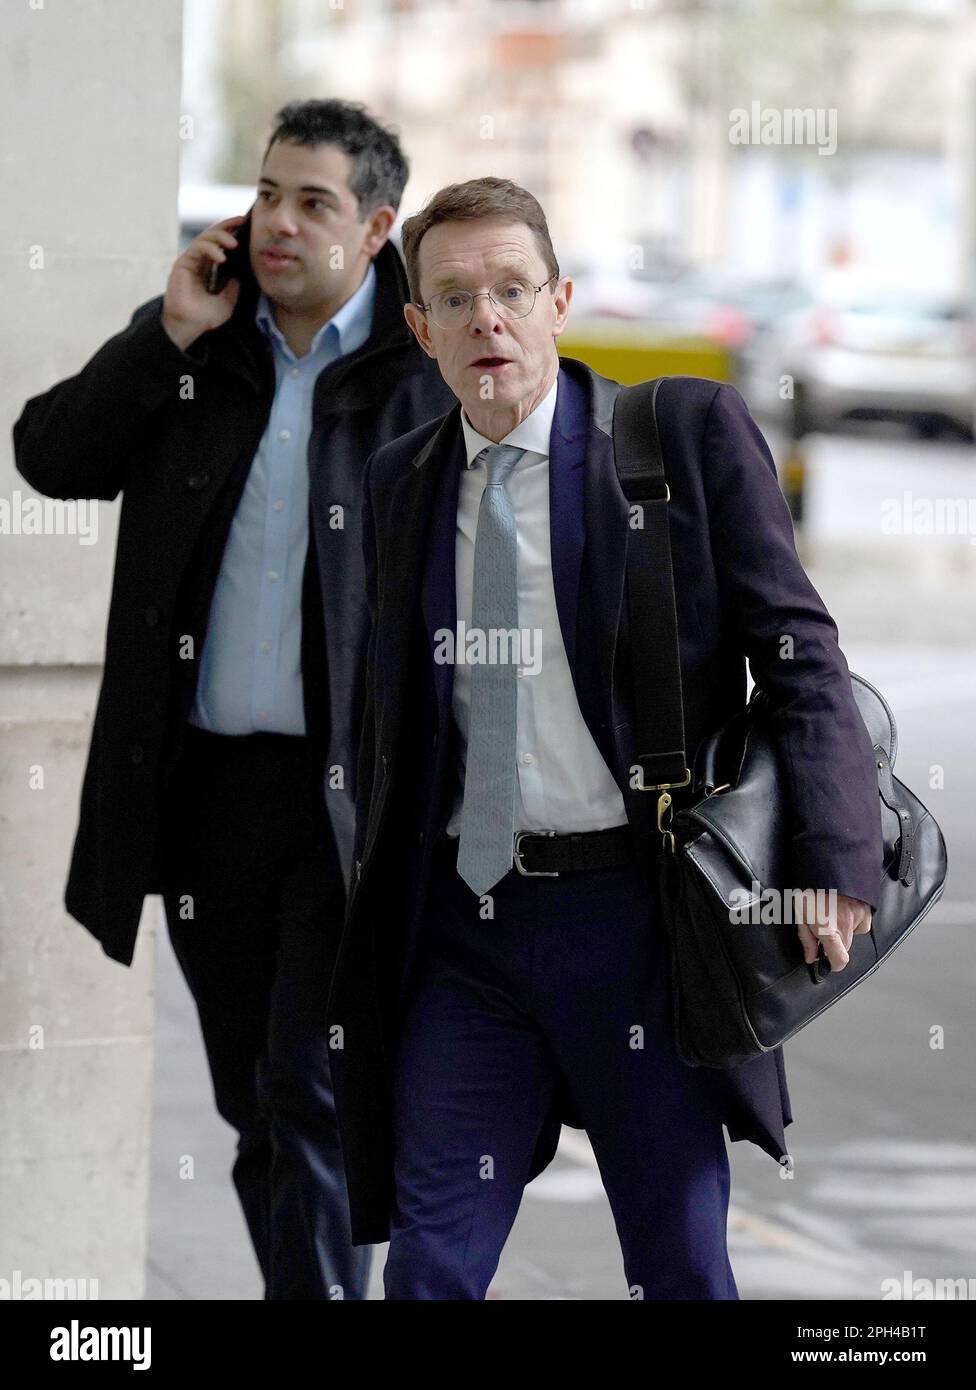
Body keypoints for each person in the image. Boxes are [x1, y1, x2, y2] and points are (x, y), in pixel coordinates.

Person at [325, 176, 884, 1299]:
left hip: (635, 925)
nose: (487, 318)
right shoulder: (400, 482)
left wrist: (833, 861)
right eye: (456, 297)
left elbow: (797, 652)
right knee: (427, 1265)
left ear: (558, 301)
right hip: (464, 934)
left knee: (677, 1262)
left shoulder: (674, 435)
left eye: (511, 289)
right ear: (419, 328)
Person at [12, 99, 455, 1300]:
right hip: (208, 792)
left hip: (345, 804)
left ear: (375, 230)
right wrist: (164, 332)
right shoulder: (200, 345)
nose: (277, 222)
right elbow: (50, 455)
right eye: (267, 193)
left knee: (303, 1084)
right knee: (254, 1098)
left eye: (313, 201)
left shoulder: (419, 376)